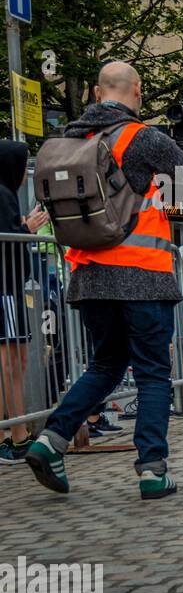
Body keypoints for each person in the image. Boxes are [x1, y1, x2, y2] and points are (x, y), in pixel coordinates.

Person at [24, 61, 183, 499]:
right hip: (143, 275)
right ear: (137, 90)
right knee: (153, 372)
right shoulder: (142, 137)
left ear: (97, 94)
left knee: (105, 364)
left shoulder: (67, 140)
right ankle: (152, 470)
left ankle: (50, 439)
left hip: (88, 276)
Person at [1, 141, 49, 463]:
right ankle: (14, 435)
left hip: (9, 289)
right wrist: (27, 229)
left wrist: (23, 227)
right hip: (5, 290)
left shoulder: (5, 195)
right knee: (10, 363)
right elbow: (7, 240)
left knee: (15, 361)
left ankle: (15, 432)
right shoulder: (2, 194)